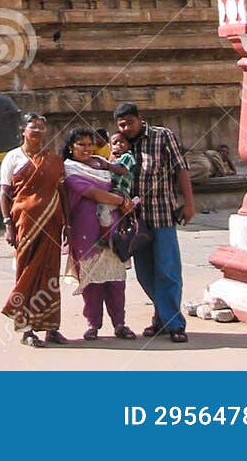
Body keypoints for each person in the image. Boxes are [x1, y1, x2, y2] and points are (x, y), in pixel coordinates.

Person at [113, 101, 194, 343]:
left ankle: (175, 323)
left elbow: (181, 169)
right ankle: (163, 317)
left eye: (129, 123)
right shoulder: (121, 145)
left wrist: (189, 203)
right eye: (121, 125)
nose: (126, 128)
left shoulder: (162, 136)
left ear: (140, 119)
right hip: (136, 222)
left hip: (162, 214)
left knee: (168, 271)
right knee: (145, 273)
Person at [61, 128, 138, 340]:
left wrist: (123, 200)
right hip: (85, 231)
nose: (87, 148)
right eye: (81, 144)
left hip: (111, 228)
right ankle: (93, 324)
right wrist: (122, 201)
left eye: (89, 144)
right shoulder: (69, 169)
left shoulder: (100, 164)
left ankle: (120, 324)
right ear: (71, 148)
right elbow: (91, 192)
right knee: (91, 280)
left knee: (116, 280)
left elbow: (118, 182)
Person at [0, 111, 67, 347]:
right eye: (33, 127)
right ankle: (26, 329)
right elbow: (4, 192)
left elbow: (62, 192)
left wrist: (66, 223)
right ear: (23, 131)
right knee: (26, 274)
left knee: (50, 276)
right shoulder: (12, 158)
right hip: (24, 225)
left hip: (52, 223)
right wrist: (7, 224)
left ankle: (51, 328)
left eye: (41, 127)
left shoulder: (54, 160)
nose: (37, 131)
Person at [107, 129, 137, 199]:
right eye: (114, 143)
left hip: (121, 191)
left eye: (122, 142)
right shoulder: (113, 158)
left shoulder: (127, 156)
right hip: (112, 188)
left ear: (129, 145)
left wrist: (107, 165)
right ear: (111, 147)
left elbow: (123, 170)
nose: (118, 144)